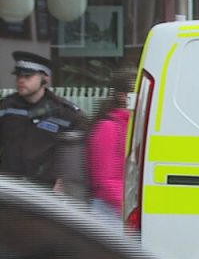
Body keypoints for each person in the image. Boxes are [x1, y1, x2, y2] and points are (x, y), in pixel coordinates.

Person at [0, 51, 89, 191]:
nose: (21, 80)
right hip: (10, 189)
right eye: (18, 75)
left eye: (27, 76)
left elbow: (78, 154)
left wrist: (64, 180)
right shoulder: (6, 108)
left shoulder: (65, 114)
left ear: (45, 78)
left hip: (46, 191)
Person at [85, 69, 135, 219]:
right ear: (123, 96)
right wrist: (130, 205)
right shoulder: (109, 127)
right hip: (110, 211)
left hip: (122, 207)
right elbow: (106, 179)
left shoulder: (131, 124)